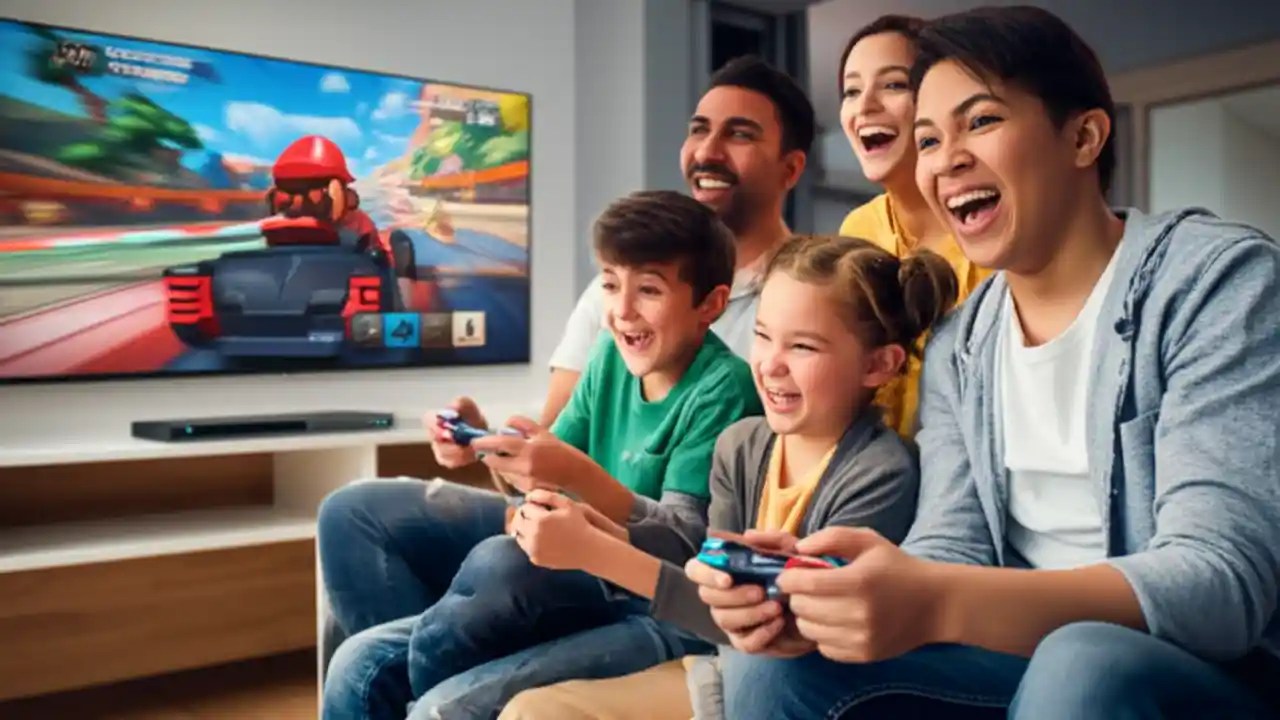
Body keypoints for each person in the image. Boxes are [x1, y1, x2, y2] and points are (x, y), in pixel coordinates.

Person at [687, 6, 1280, 719]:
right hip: (1023, 660)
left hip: (1198, 671)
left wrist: (939, 601)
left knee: (1083, 660)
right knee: (771, 671)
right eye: (929, 138)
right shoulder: (964, 341)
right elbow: (953, 540)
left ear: (1084, 135)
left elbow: (1221, 585)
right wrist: (838, 586)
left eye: (982, 122)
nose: (945, 159)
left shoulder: (1215, 282)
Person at [317, 190, 763, 720]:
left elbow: (684, 548)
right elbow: (545, 475)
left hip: (650, 601)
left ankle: (430, 680)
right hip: (571, 565)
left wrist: (575, 473)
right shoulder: (608, 356)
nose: (621, 311)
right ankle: (432, 672)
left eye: (648, 290)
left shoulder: (724, 388)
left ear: (710, 304)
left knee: (498, 564)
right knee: (355, 619)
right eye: (610, 285)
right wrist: (488, 444)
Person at [501, 234, 959, 720]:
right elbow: (709, 570)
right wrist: (599, 528)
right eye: (762, 336)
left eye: (802, 346)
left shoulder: (880, 474)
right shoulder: (742, 445)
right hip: (718, 661)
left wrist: (596, 552)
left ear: (878, 364)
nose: (770, 364)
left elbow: (764, 632)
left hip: (781, 685)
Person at [542, 55, 815, 424]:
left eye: (739, 134)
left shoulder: (809, 296)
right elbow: (548, 445)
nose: (706, 152)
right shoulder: (617, 289)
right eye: (699, 130)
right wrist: (482, 441)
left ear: (792, 168)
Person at [835, 14, 989, 437]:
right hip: (873, 475)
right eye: (851, 90)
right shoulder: (859, 228)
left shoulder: (991, 233)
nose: (864, 106)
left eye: (893, 85)